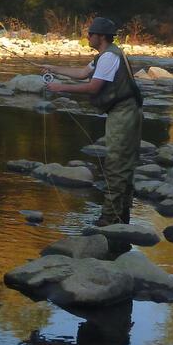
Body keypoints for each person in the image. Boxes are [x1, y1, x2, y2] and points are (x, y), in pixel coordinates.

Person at [41, 17, 143, 226]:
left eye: (91, 34)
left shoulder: (108, 58)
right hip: (123, 111)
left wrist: (61, 88)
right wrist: (53, 68)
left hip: (123, 113)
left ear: (101, 37)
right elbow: (81, 73)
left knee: (116, 163)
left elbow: (93, 87)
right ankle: (122, 214)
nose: (87, 37)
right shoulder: (105, 55)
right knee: (124, 163)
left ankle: (109, 217)